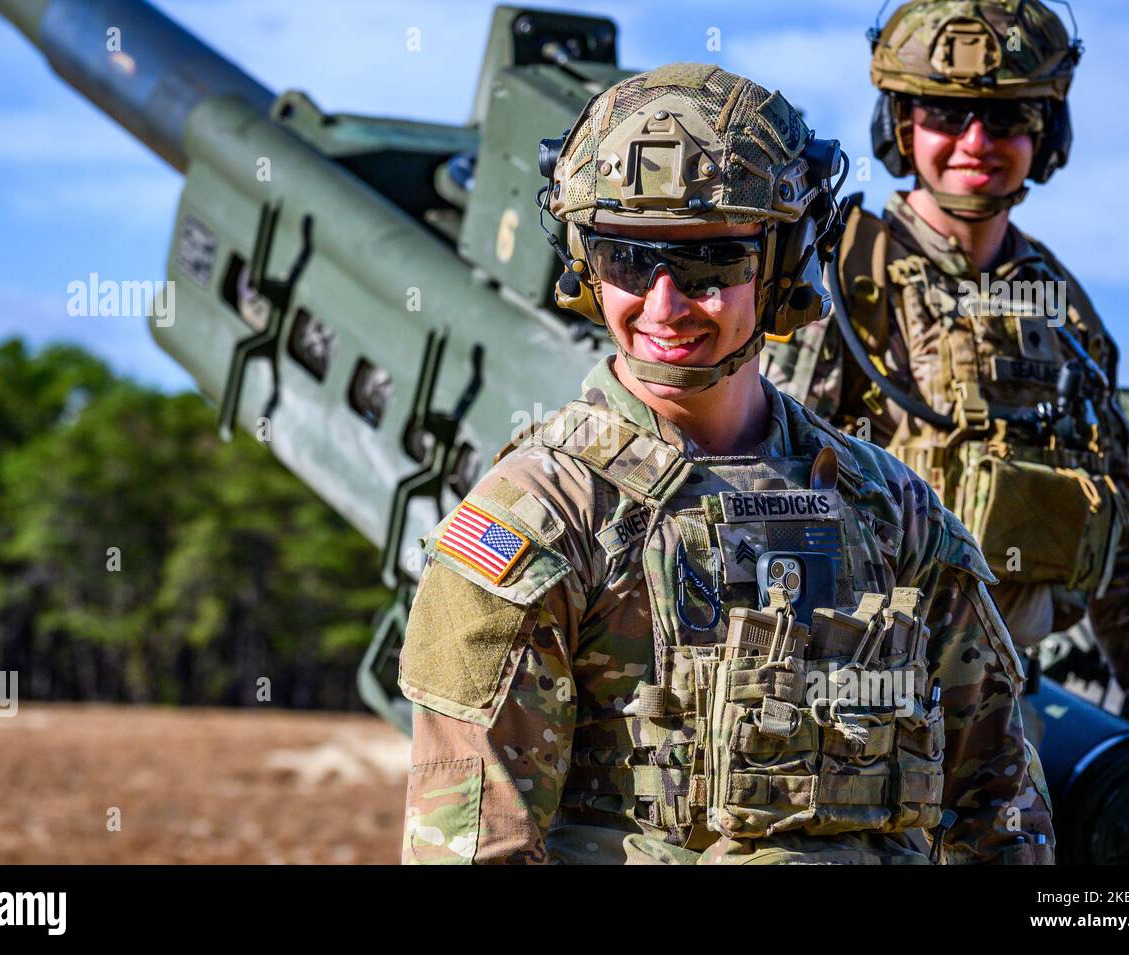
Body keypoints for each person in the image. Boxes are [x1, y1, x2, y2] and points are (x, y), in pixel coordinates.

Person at [398, 63, 1053, 864]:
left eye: (711, 261)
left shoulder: (893, 511)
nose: (666, 306)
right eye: (630, 261)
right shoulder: (534, 518)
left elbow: (998, 810)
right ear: (582, 259)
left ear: (781, 265)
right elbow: (473, 848)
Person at [760, 0, 1129, 753]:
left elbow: (1125, 548)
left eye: (1007, 119)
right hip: (845, 712)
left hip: (1003, 718)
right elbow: (758, 496)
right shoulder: (842, 282)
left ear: (1048, 134)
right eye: (945, 114)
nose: (977, 142)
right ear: (900, 127)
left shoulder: (1068, 317)